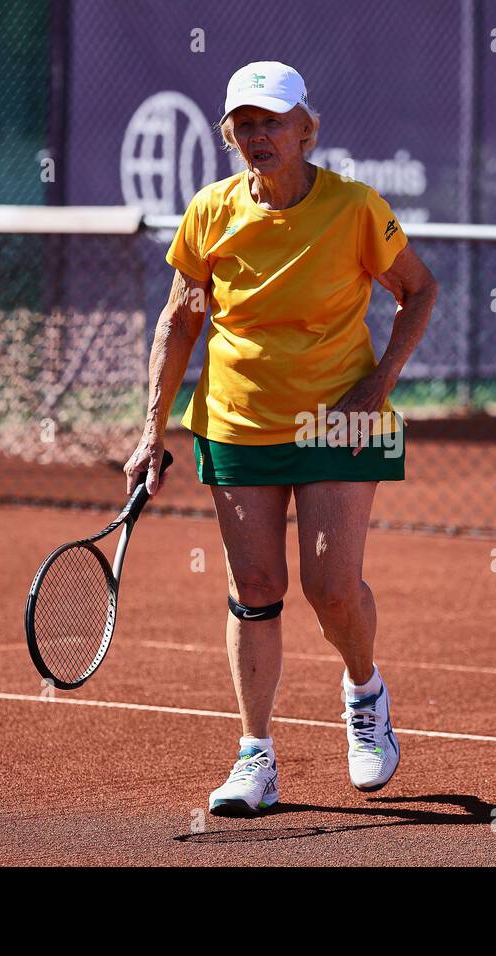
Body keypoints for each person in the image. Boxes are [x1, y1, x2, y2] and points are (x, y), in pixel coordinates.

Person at [123, 61, 438, 816]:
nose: (259, 136)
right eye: (246, 124)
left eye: (273, 122)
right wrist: (149, 431)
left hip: (338, 419)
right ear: (230, 135)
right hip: (236, 422)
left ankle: (365, 693)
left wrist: (381, 382)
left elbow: (419, 290)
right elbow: (180, 321)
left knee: (330, 587)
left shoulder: (357, 207)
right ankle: (255, 757)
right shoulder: (210, 212)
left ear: (306, 129)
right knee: (255, 591)